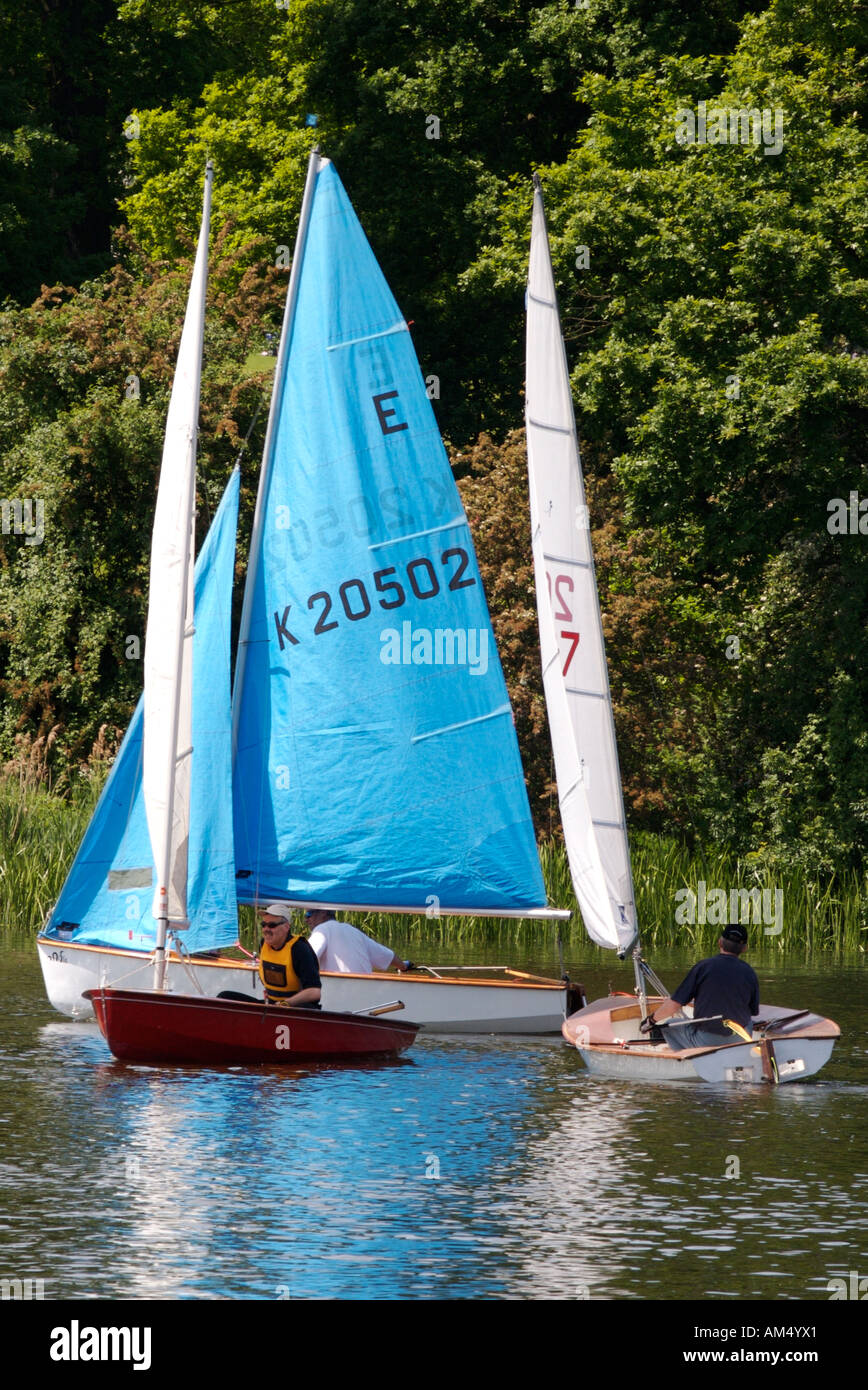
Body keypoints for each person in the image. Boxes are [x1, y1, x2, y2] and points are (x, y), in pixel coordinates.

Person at [642, 924, 759, 1050]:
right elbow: (753, 1011)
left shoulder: (703, 967)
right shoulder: (750, 973)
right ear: (744, 948)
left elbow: (674, 1005)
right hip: (741, 1039)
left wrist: (650, 1021)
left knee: (669, 1026)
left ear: (719, 942)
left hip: (708, 1040)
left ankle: (689, 1062)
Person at [304, 908, 414, 975]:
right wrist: (404, 966)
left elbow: (306, 958)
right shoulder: (353, 931)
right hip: (366, 993)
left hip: (342, 993)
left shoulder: (322, 929)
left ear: (323, 912)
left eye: (308, 914)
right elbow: (389, 957)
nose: (306, 920)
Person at [256, 902, 322, 1007]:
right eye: (263, 925)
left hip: (295, 1008)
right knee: (225, 996)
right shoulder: (263, 943)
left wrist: (286, 1003)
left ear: (286, 927)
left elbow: (314, 992)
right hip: (272, 1005)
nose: (266, 929)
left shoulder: (299, 949)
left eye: (272, 925)